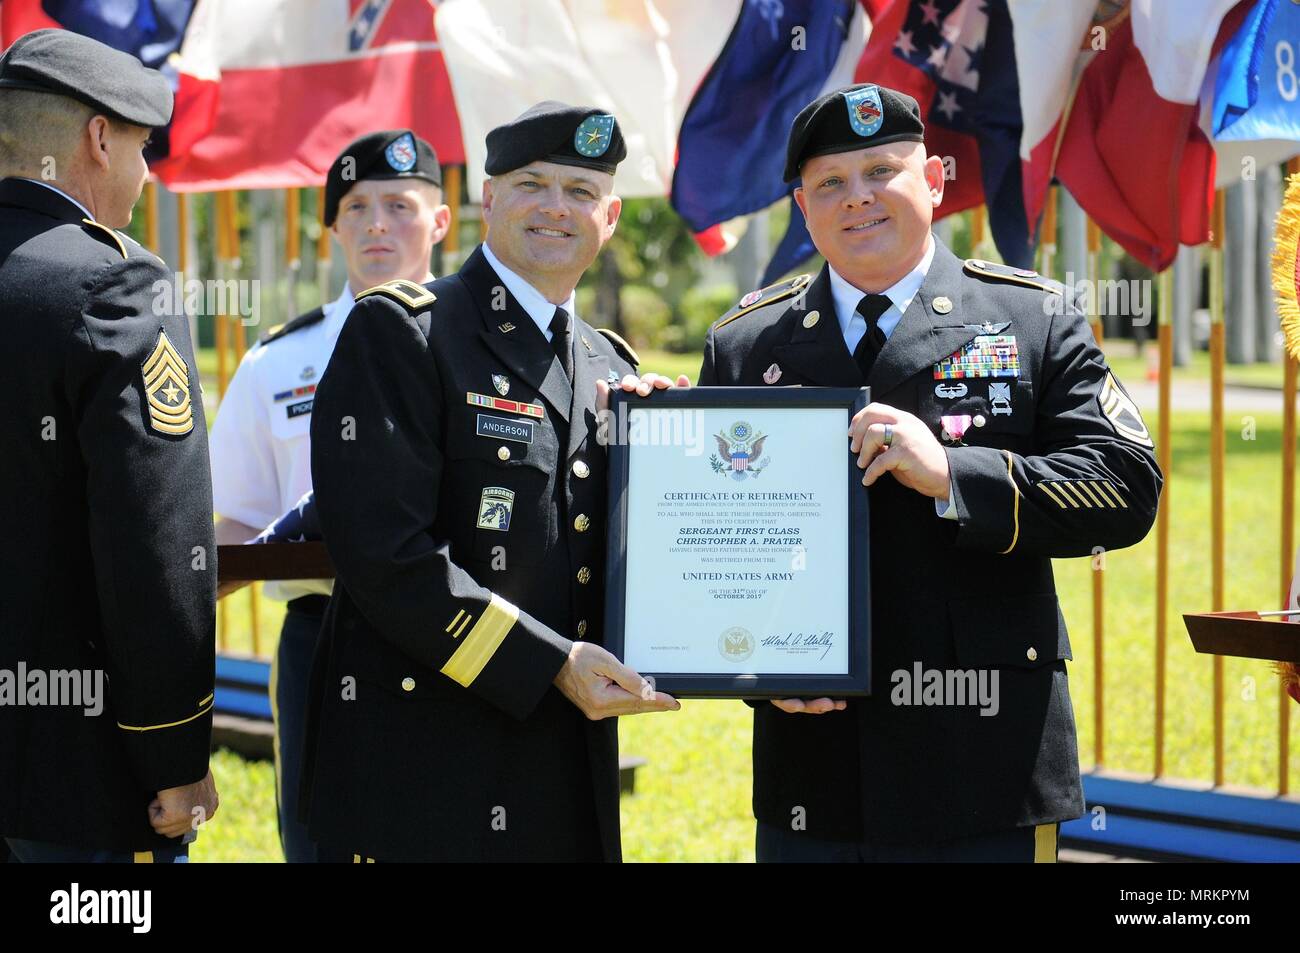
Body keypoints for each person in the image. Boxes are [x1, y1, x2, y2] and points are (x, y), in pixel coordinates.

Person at [699, 83, 1163, 862]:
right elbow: (710, 544)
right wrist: (747, 664)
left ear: (937, 180)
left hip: (985, 760)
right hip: (816, 769)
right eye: (831, 184)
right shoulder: (747, 346)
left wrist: (955, 474)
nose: (859, 199)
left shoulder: (1032, 318)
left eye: (883, 170)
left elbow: (1124, 484)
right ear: (802, 207)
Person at [301, 102, 683, 862]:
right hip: (431, 764)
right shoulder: (404, 332)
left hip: (565, 764)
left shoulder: (613, 366)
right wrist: (549, 665)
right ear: (489, 198)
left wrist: (672, 459)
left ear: (609, 218)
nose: (554, 207)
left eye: (580, 192)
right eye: (532, 184)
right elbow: (386, 556)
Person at [0, 29, 218, 863]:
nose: (148, 170)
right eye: (140, 145)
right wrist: (174, 752)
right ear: (98, 137)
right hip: (72, 781)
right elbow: (153, 542)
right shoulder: (114, 283)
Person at [208, 130, 450, 862]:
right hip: (323, 632)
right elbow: (235, 520)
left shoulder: (482, 349)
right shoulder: (277, 361)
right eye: (356, 206)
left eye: (400, 205)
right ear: (334, 227)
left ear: (441, 220)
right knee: (320, 841)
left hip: (457, 630)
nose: (377, 222)